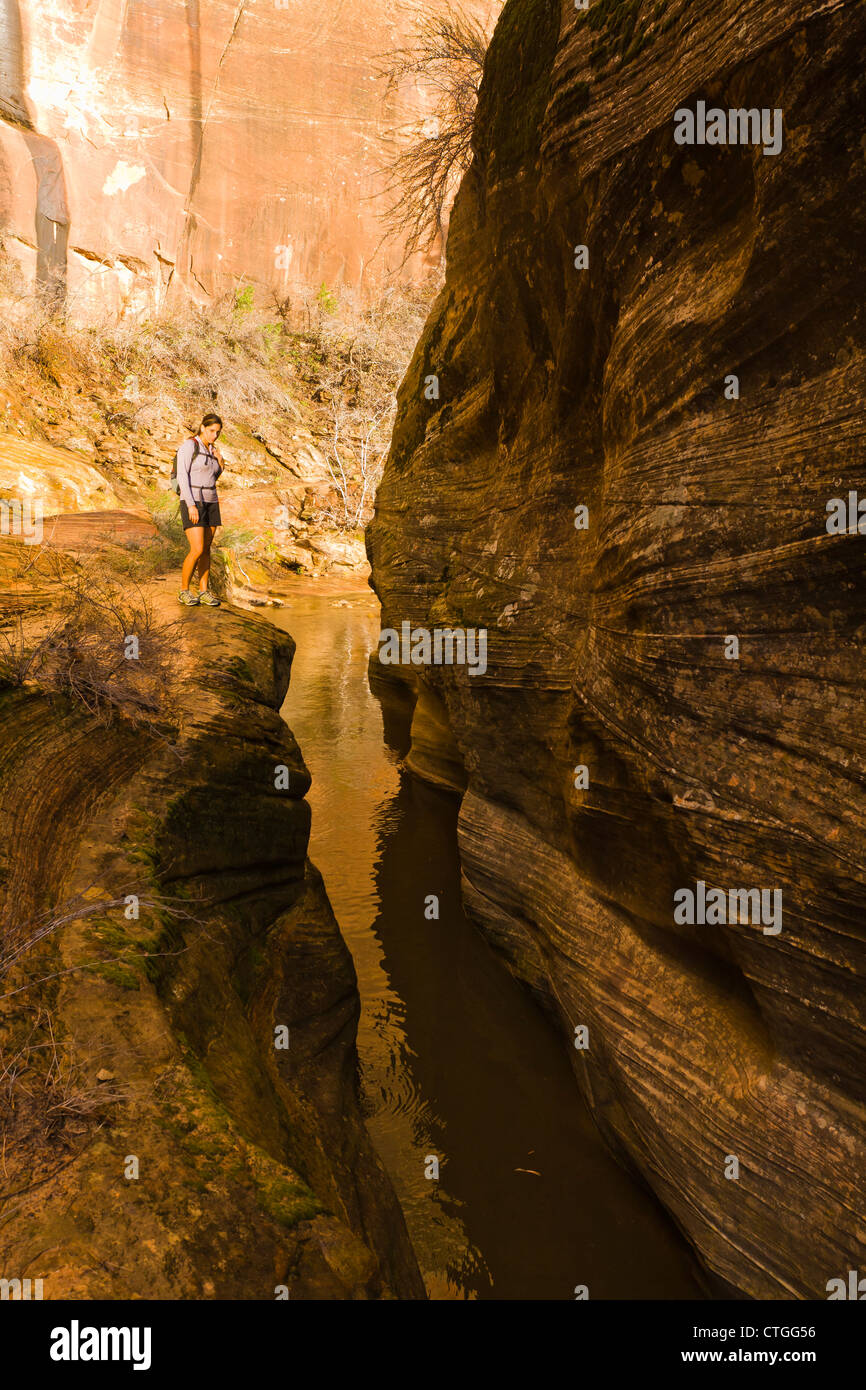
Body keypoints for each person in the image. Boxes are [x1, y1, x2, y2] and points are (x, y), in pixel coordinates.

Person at [177, 413, 224, 607]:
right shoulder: (190, 446)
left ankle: (204, 591)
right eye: (212, 431)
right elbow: (182, 476)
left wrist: (220, 463)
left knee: (205, 550)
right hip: (194, 501)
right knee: (196, 549)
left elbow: (212, 478)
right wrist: (190, 505)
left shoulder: (212, 449)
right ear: (203, 427)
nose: (214, 435)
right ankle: (184, 591)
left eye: (218, 432)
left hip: (211, 501)